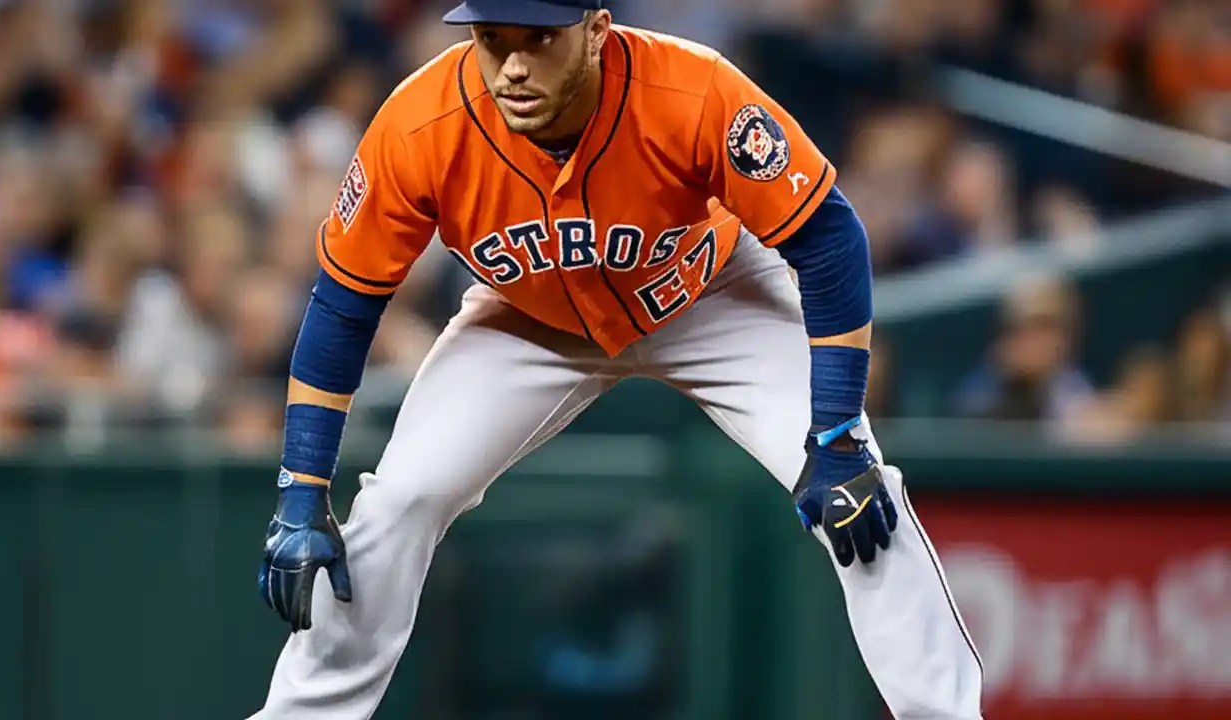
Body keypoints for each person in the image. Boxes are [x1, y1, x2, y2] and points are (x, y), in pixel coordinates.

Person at [251, 2, 983, 718]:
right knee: (400, 500)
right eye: (491, 37)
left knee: (856, 492)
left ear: (598, 31)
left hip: (709, 294)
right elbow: (345, 303)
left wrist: (835, 433)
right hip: (527, 319)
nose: (511, 65)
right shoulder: (422, 122)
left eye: (538, 37)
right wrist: (300, 482)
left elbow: (829, 240)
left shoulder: (690, 89)